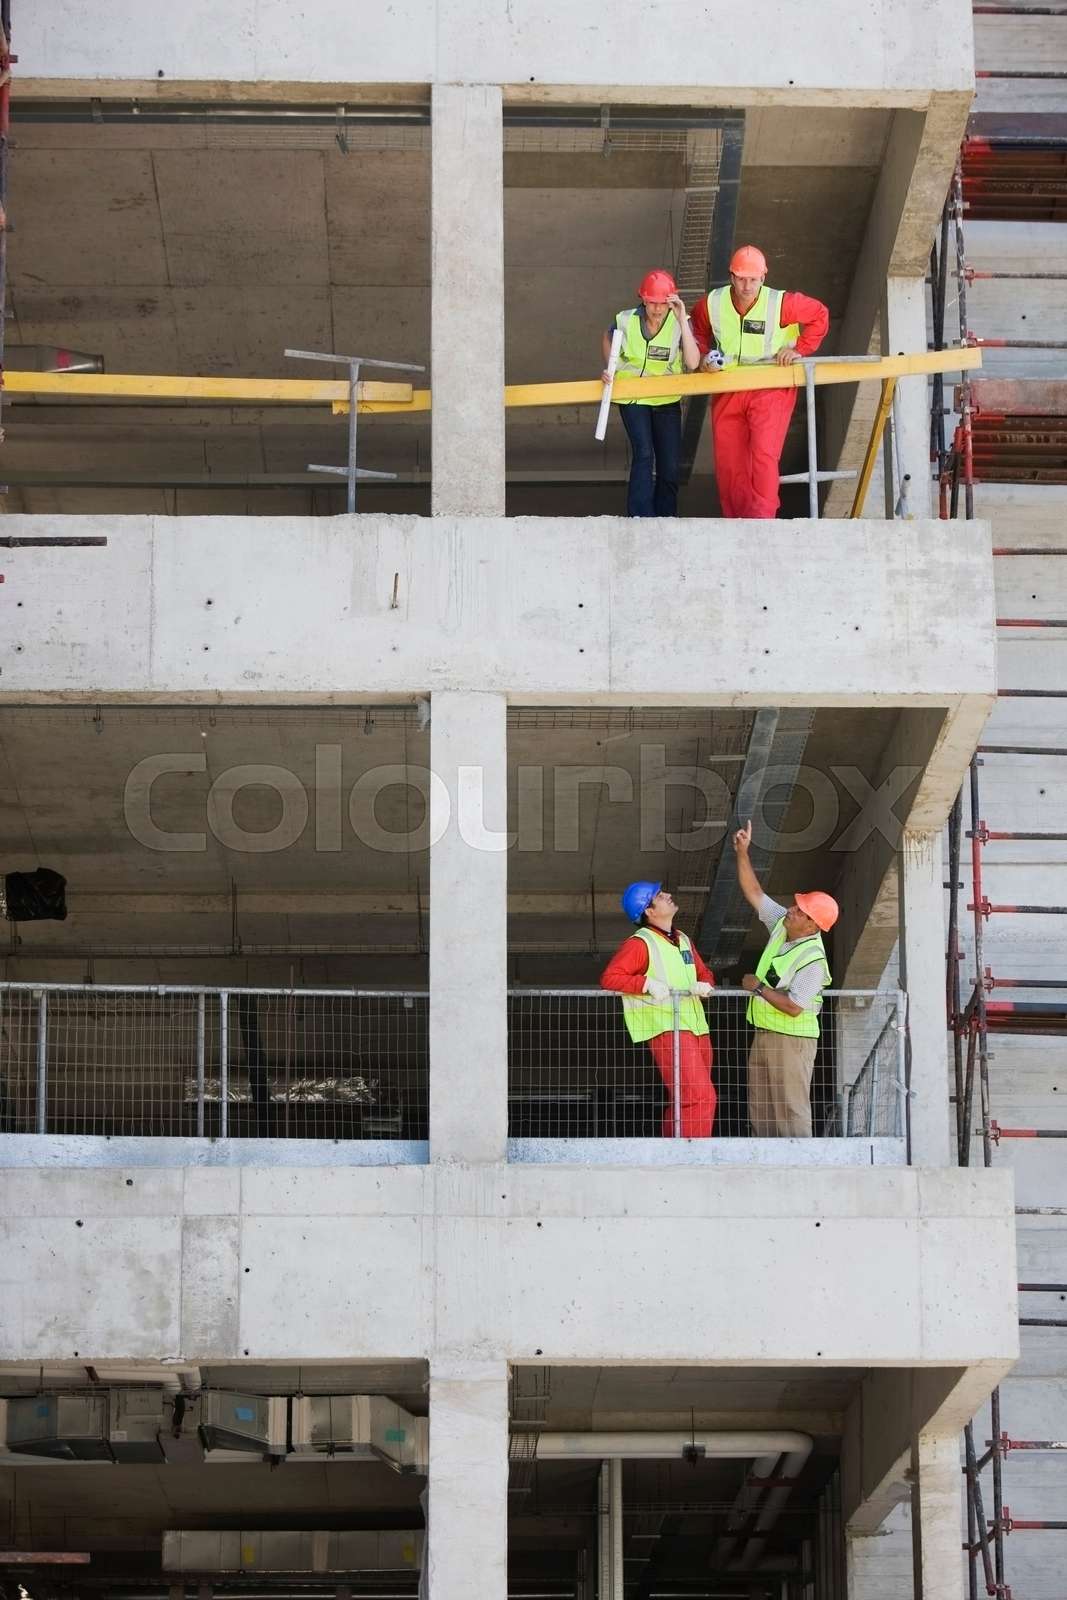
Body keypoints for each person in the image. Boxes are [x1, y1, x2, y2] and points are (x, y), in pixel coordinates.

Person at [689, 245, 830, 519]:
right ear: (731, 277)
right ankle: (736, 519)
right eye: (741, 279)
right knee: (730, 461)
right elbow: (697, 328)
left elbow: (819, 315)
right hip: (729, 385)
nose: (747, 286)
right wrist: (705, 356)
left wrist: (800, 348)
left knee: (764, 454)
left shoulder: (781, 303)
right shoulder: (712, 303)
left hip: (771, 385)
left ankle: (762, 519)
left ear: (763, 278)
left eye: (753, 280)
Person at [731, 819, 838, 1137]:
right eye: (796, 905)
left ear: (813, 926)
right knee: (762, 1106)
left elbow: (794, 1007)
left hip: (792, 1040)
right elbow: (754, 892)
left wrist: (759, 988)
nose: (792, 909)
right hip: (765, 1032)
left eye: (801, 910)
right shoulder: (782, 924)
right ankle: (765, 1157)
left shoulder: (813, 960)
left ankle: (801, 1159)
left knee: (791, 1108)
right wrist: (742, 852)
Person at [600, 879, 716, 1136]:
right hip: (667, 1027)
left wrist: (705, 984)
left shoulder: (682, 939)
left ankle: (672, 1149)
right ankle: (693, 1153)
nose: (668, 895)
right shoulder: (640, 943)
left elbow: (704, 972)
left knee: (687, 1099)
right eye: (660, 895)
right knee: (700, 1098)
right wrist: (645, 983)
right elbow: (610, 978)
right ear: (649, 911)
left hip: (696, 1027)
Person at [602, 270, 701, 518]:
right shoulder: (625, 319)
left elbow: (693, 362)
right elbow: (607, 338)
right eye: (652, 303)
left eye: (663, 304)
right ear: (643, 300)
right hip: (633, 397)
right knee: (644, 453)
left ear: (671, 302)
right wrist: (610, 368)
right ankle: (640, 518)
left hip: (666, 400)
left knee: (669, 465)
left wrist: (681, 320)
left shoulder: (680, 323)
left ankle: (666, 519)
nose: (657, 309)